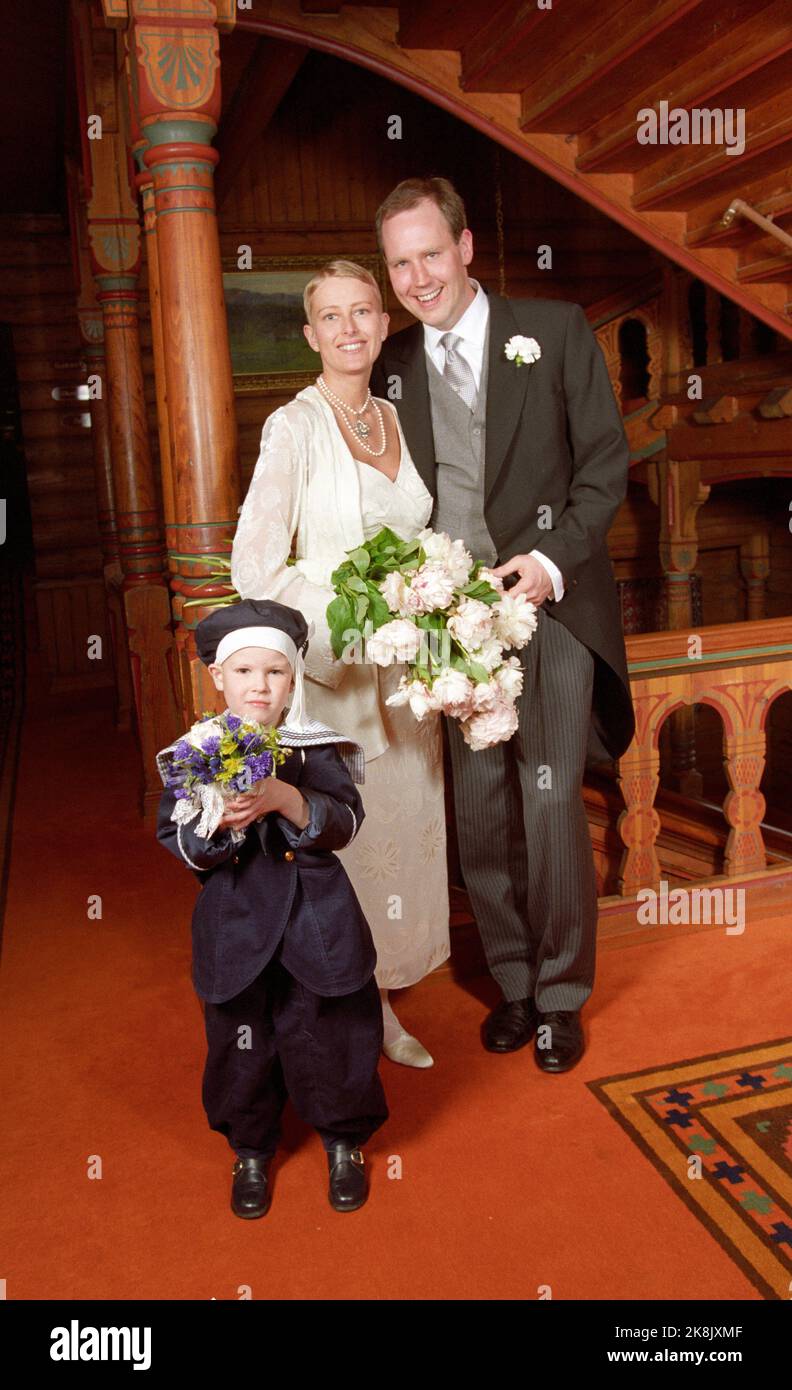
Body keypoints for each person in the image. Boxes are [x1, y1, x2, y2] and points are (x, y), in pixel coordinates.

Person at [371, 177, 636, 1073]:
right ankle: (515, 985)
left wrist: (552, 563)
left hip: (550, 605)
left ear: (467, 246)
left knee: (552, 803)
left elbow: (605, 464)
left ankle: (562, 997)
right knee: (479, 815)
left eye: (430, 254)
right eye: (400, 262)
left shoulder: (554, 331)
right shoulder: (391, 365)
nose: (418, 277)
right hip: (450, 623)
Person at [230, 260, 450, 1069]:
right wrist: (354, 624)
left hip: (411, 680)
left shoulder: (397, 417)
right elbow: (254, 566)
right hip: (341, 682)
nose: (350, 328)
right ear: (309, 333)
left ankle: (386, 999)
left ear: (384, 324)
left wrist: (432, 611)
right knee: (349, 853)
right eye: (332, 316)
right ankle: (348, 1013)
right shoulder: (294, 427)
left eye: (364, 312)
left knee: (409, 840)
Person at [156, 598, 388, 1218]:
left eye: (275, 673)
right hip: (236, 926)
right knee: (242, 1043)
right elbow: (177, 839)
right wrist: (219, 828)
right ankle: (252, 1146)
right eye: (244, 672)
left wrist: (287, 797)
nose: (260, 686)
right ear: (217, 677)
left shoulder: (314, 748)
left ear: (294, 678)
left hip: (319, 918)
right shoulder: (195, 751)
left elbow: (344, 822)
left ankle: (344, 1138)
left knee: (332, 1031)